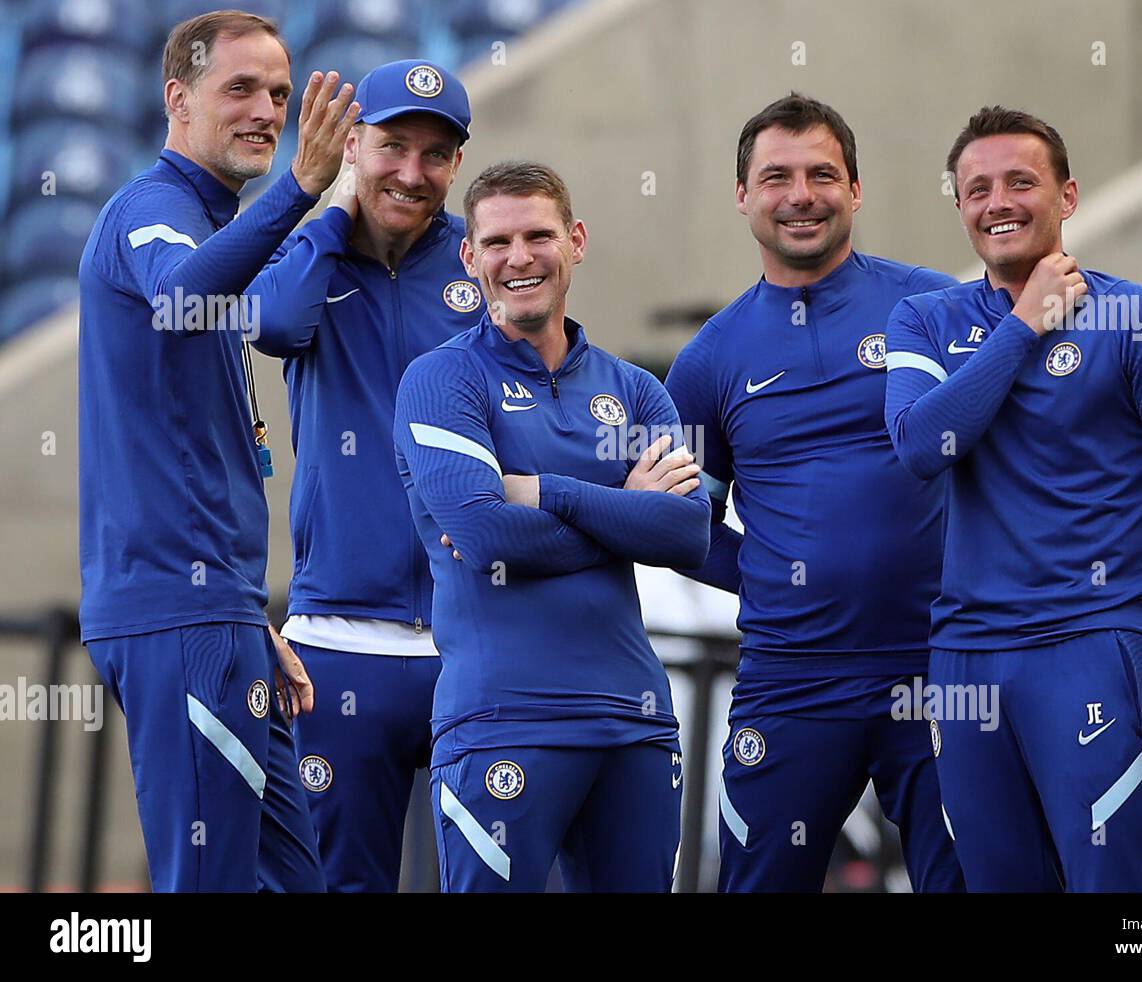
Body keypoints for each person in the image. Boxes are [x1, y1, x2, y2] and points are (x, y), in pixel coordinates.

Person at [884, 105, 1142, 891]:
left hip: (1095, 646)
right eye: (977, 189)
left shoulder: (1136, 320)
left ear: (1067, 196)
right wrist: (1025, 323)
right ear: (960, 206)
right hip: (967, 658)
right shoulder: (925, 319)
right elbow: (918, 446)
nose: (998, 202)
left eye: (1021, 182)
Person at [78, 10, 357, 891]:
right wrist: (301, 190)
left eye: (279, 92)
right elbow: (175, 297)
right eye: (239, 88)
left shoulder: (206, 225)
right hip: (178, 614)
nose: (267, 110)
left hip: (218, 613)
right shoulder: (154, 210)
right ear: (177, 99)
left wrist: (242, 612)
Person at [664, 93, 965, 893]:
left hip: (942, 668)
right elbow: (681, 522)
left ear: (856, 191)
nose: (801, 195)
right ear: (743, 195)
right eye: (777, 177)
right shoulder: (708, 360)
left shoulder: (936, 310)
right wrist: (771, 574)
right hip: (792, 679)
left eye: (822, 174)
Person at [393, 161, 711, 891]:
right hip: (503, 722)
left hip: (635, 724)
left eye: (539, 235)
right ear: (470, 258)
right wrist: (626, 506)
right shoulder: (442, 380)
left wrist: (549, 491)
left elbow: (687, 535)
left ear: (576, 241)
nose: (520, 257)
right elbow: (487, 537)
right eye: (497, 241)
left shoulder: (635, 388)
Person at [248, 59, 480, 892]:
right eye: (392, 147)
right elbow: (270, 325)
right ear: (354, 146)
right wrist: (335, 202)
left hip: (480, 637)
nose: (412, 174)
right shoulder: (307, 252)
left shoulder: (481, 259)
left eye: (435, 154)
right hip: (339, 645)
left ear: (457, 164)